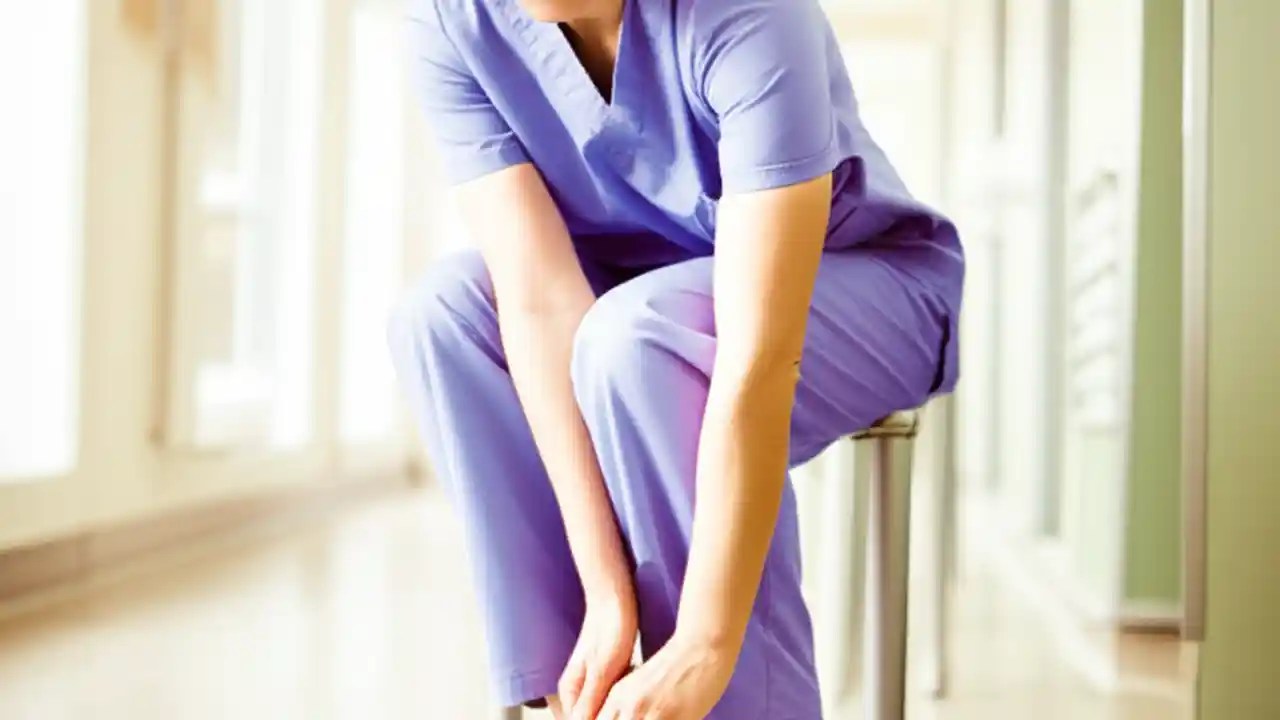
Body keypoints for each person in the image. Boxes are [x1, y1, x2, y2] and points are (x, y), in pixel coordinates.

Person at [387, 0, 963, 717]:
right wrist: (604, 590)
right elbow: (535, 297)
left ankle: (738, 700)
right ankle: (582, 695)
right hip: (640, 291)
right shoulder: (453, 20)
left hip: (860, 285)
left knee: (640, 339)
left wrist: (708, 642)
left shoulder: (746, 14)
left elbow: (757, 353)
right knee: (446, 314)